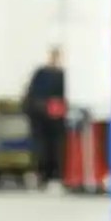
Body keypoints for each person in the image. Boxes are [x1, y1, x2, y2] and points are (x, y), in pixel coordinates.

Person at [21, 46, 67, 189]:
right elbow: (31, 96)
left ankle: (53, 175)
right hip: (40, 116)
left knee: (55, 146)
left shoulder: (61, 75)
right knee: (41, 146)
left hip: (55, 118)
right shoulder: (41, 73)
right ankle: (42, 174)